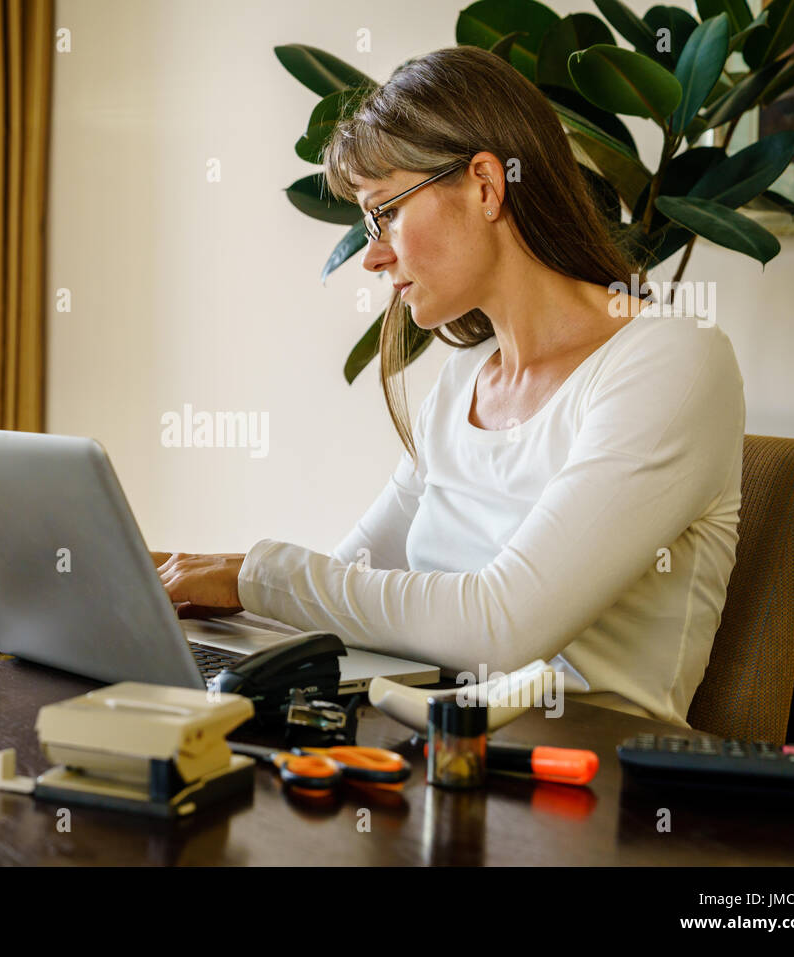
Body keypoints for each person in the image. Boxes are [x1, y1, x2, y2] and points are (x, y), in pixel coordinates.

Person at [151, 46, 744, 727]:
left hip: (585, 784)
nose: (372, 254)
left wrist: (258, 574)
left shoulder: (671, 361)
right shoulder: (465, 378)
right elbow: (350, 581)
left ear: (486, 186)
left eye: (386, 213)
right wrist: (186, 584)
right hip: (438, 750)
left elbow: (503, 623)